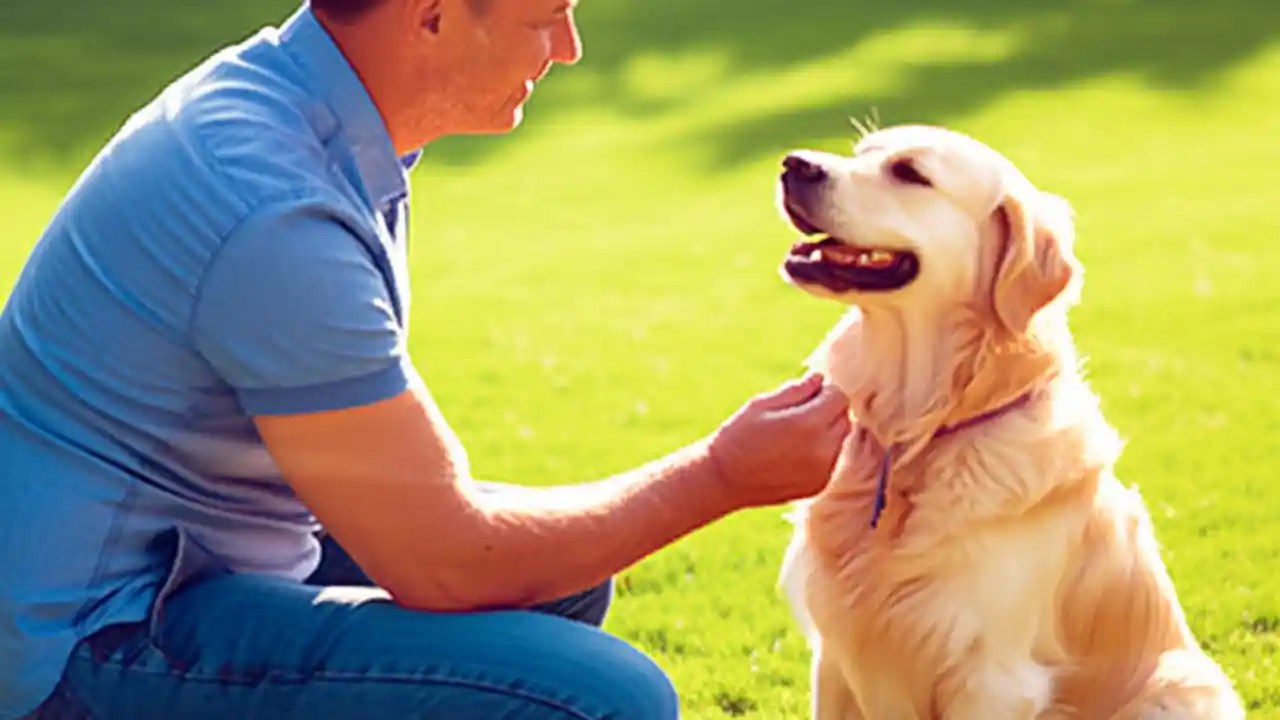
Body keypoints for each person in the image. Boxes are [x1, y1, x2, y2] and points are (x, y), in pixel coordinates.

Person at [0, 0, 853, 717]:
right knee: (605, 700)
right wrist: (721, 474)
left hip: (189, 550)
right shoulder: (270, 202)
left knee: (558, 581)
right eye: (544, 17)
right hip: (81, 638)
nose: (568, 48)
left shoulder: (297, 109)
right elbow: (445, 559)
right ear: (435, 15)